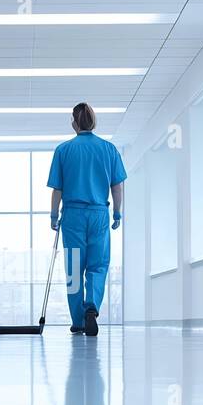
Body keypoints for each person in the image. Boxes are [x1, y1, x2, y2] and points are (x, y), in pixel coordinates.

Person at [46, 102, 126, 336]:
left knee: (74, 268)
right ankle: (91, 307)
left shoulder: (63, 150)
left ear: (74, 122)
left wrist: (53, 215)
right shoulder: (109, 149)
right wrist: (117, 213)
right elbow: (117, 187)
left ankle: (78, 321)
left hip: (72, 215)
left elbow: (57, 189)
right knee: (98, 265)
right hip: (99, 213)